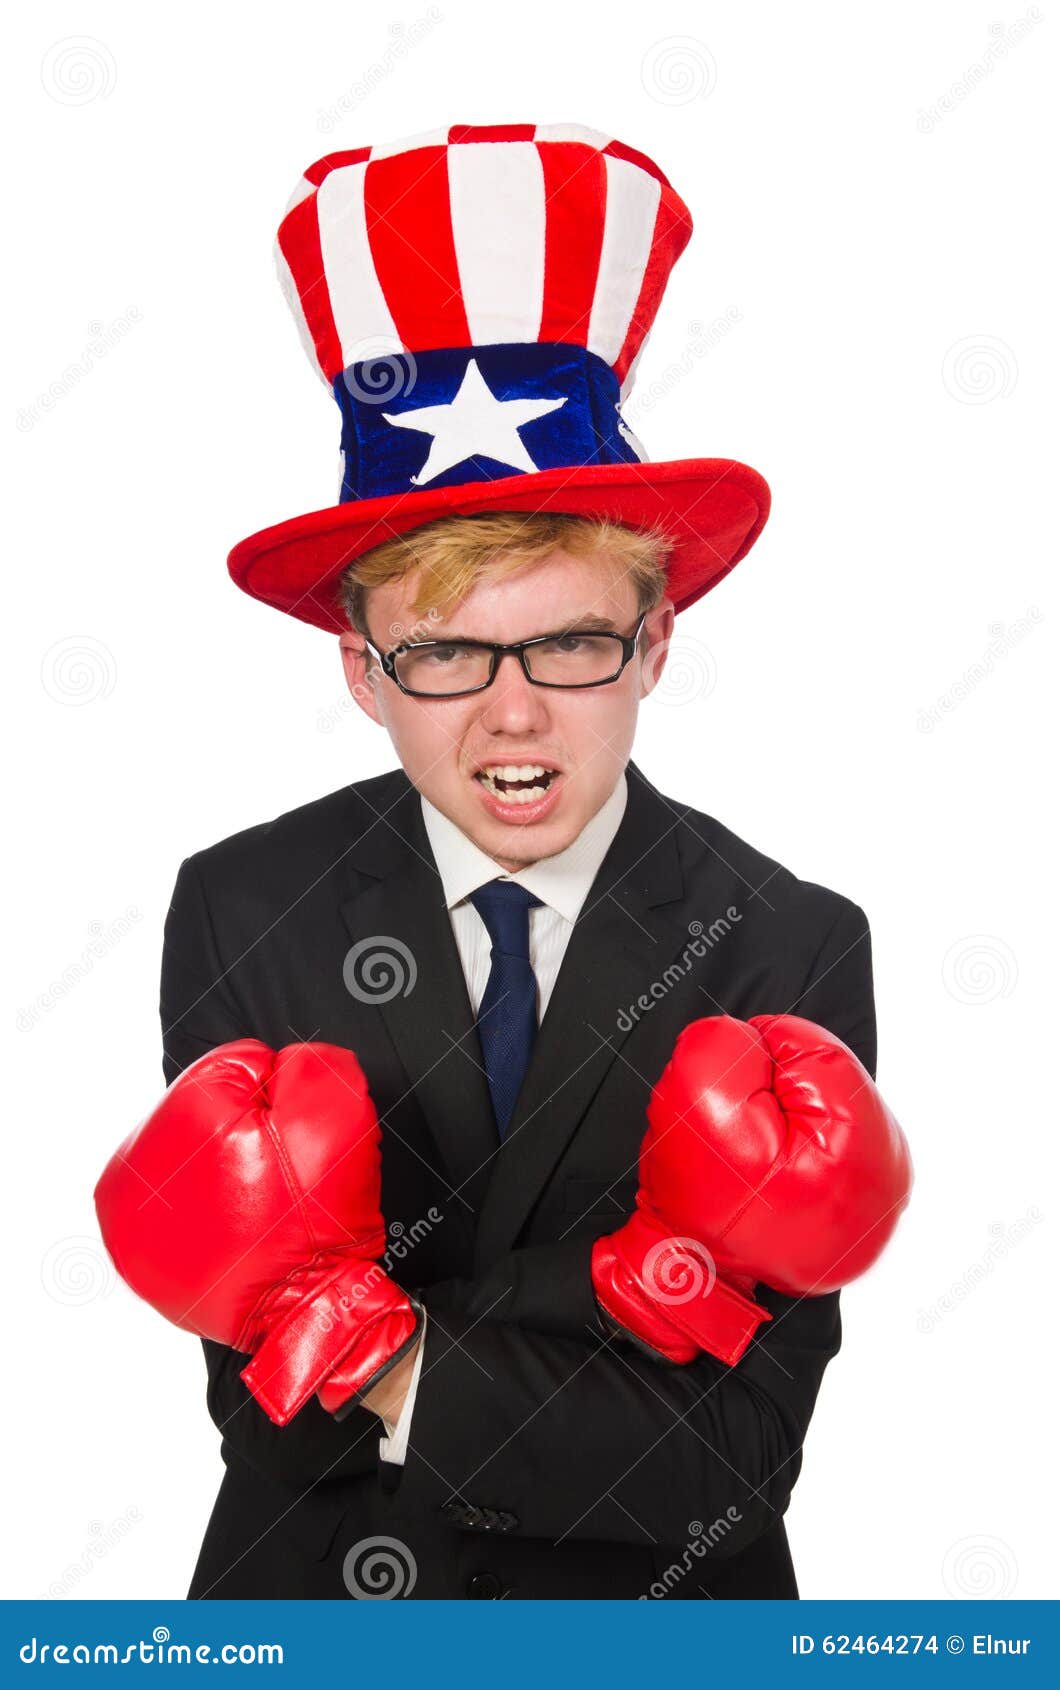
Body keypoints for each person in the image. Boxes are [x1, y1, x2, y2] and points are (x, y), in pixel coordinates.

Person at [97, 125, 910, 1600]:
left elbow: (733, 1456)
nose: (515, 709)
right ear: (362, 668)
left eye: (573, 640)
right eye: (447, 651)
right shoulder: (245, 900)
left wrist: (388, 1341)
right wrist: (608, 1307)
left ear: (654, 643)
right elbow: (265, 1420)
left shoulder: (784, 937)